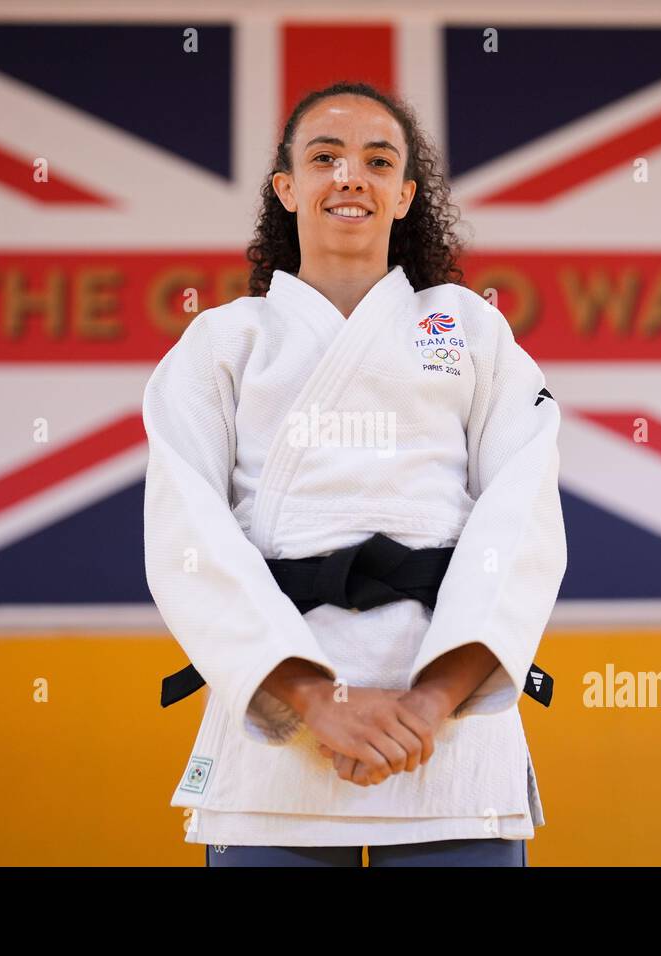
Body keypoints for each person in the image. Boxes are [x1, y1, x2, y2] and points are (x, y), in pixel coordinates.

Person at [142, 81, 567, 867]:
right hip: (280, 739)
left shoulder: (472, 329)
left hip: (452, 741)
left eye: (378, 161)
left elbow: (523, 516)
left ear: (405, 194)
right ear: (287, 186)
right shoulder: (224, 342)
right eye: (324, 157)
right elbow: (186, 533)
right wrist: (308, 698)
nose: (350, 176)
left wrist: (434, 698)